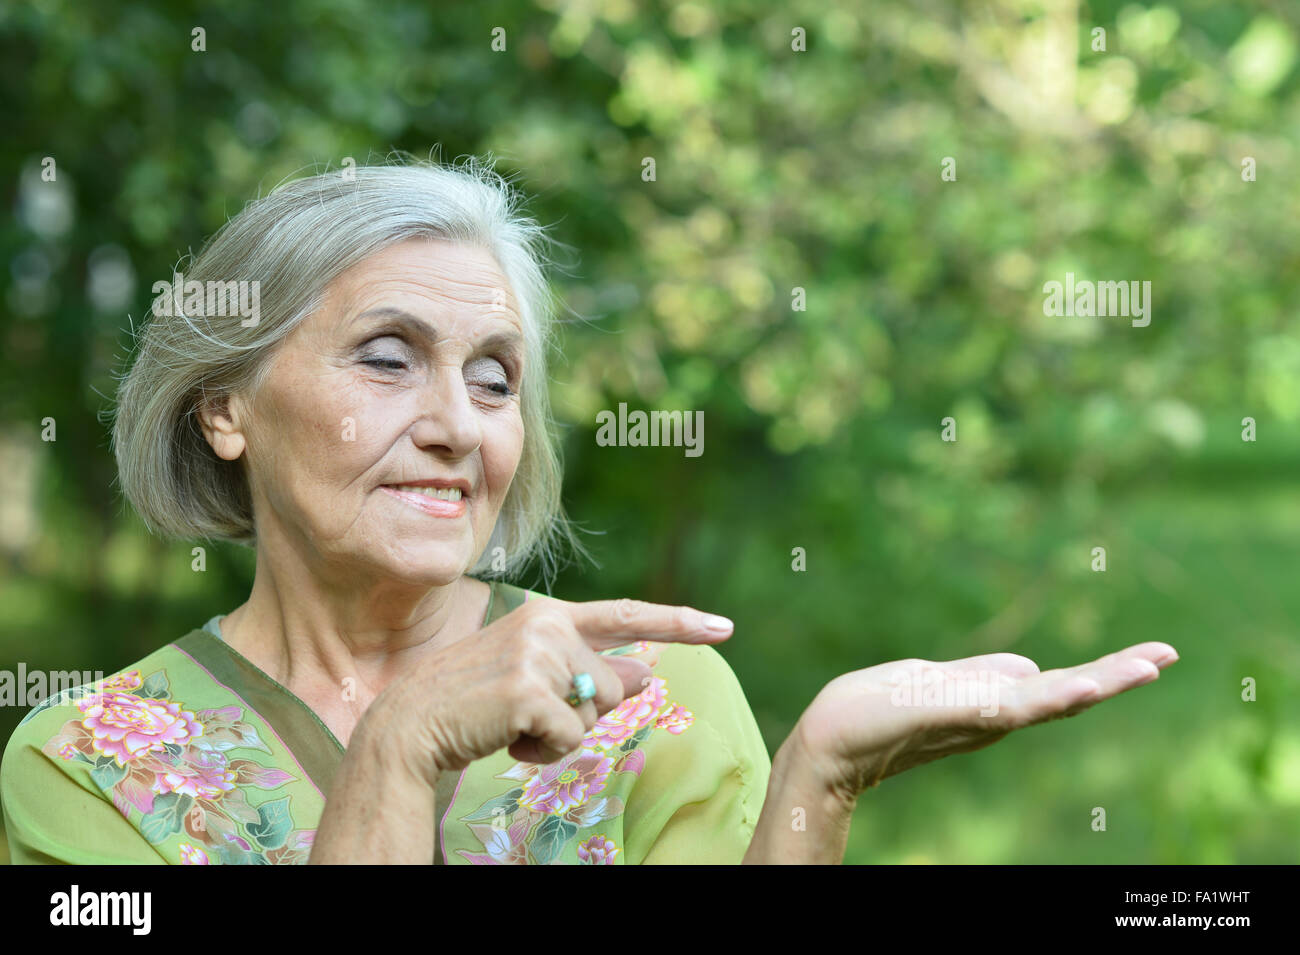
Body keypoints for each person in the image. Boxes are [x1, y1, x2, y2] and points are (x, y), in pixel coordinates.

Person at [1, 158, 1178, 864]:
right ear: (226, 409)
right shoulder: (85, 764)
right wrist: (400, 747)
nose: (458, 425)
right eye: (387, 358)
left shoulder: (649, 700)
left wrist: (817, 780)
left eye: (494, 379)